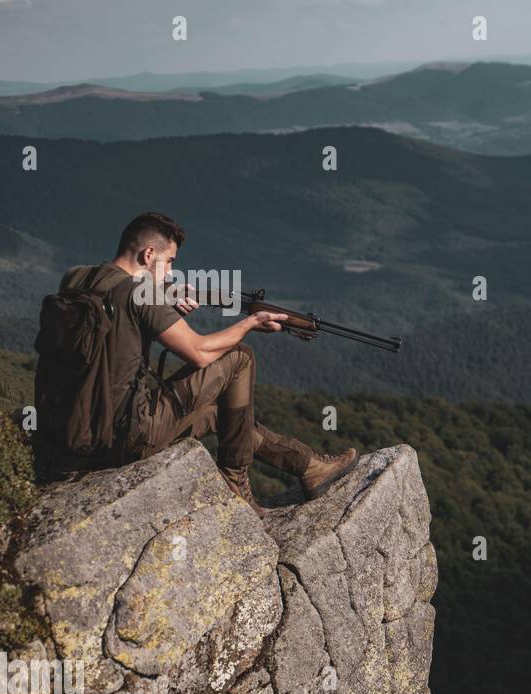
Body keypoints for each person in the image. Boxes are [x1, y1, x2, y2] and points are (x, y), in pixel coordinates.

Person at [48, 212, 357, 515]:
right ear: (148, 254)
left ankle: (309, 466)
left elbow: (115, 329)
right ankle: (236, 485)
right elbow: (199, 352)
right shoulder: (142, 295)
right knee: (239, 356)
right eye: (168, 262)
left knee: (216, 415)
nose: (170, 273)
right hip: (127, 438)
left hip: (75, 435)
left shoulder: (75, 279)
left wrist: (165, 300)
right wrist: (250, 322)